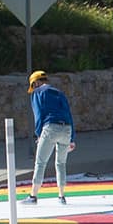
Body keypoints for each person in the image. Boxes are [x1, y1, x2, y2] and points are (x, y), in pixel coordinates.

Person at [26, 71, 75, 205]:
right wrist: (72, 138)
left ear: (35, 83)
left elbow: (39, 115)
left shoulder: (37, 93)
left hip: (50, 128)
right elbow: (69, 114)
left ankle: (33, 196)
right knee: (61, 163)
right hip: (66, 129)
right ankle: (61, 196)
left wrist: (38, 134)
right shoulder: (59, 92)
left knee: (40, 163)